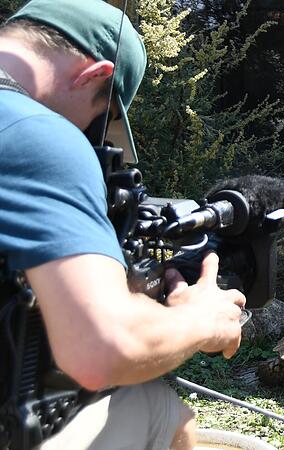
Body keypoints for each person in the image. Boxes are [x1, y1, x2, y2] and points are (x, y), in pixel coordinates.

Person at [0, 1, 245, 448]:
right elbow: (103, 349)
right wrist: (204, 319)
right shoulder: (39, 134)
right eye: (101, 123)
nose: (90, 142)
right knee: (160, 409)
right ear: (94, 75)